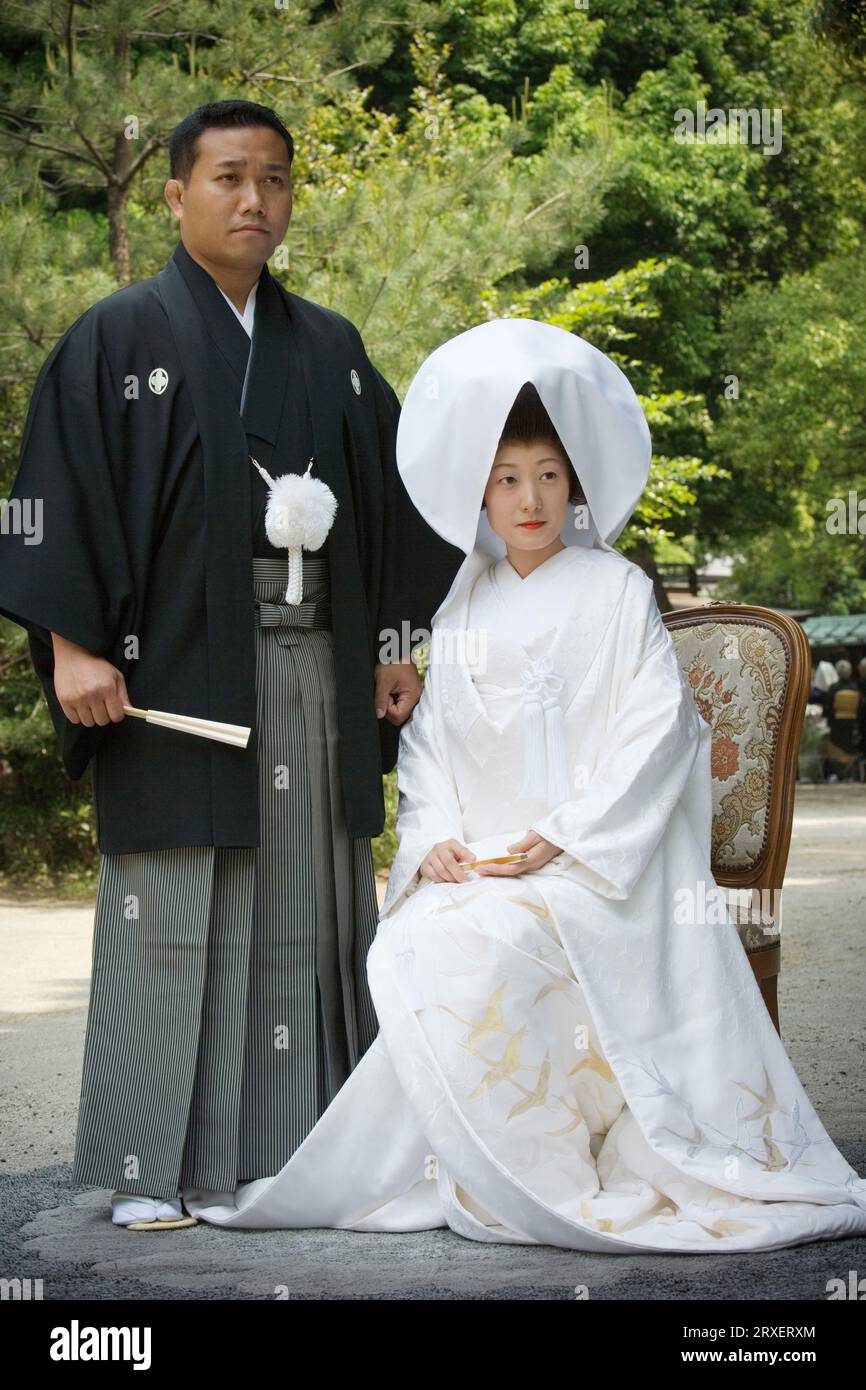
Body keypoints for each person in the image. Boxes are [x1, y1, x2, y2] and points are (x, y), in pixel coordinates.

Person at [183, 319, 866, 1253]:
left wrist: (571, 836)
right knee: (434, 931)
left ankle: (544, 1171)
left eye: (547, 475)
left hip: (599, 869)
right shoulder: (462, 604)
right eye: (507, 480)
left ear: (574, 484)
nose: (529, 499)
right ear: (483, 495)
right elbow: (432, 748)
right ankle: (493, 1160)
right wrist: (437, 844)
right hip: (489, 859)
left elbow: (658, 731)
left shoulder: (618, 589)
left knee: (487, 942)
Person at [0, 100, 458, 1229]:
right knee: (172, 903)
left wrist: (397, 642)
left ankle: (300, 1158)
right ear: (175, 194)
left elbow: (404, 506)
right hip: (169, 677)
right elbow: (51, 494)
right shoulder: (117, 337)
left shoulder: (332, 348)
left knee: (309, 905)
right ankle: (152, 1169)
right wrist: (71, 643)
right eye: (227, 177)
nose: (255, 200)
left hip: (314, 664)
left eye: (276, 180)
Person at [824, 659, 862, 781]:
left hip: (837, 724)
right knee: (849, 748)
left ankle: (837, 774)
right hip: (851, 723)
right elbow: (860, 706)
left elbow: (828, 706)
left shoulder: (834, 688)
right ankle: (849, 774)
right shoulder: (855, 688)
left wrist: (828, 717)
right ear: (850, 672)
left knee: (836, 749)